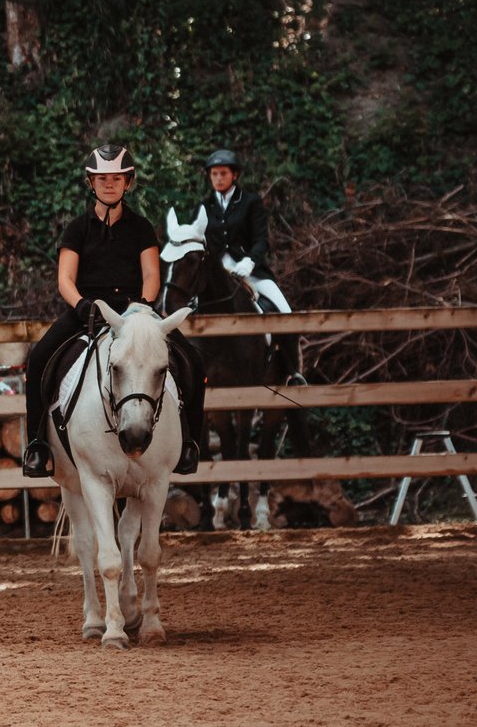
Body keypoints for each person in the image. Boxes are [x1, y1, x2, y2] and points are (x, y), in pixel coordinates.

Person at [20, 145, 206, 479]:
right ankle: (38, 445)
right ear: (91, 183)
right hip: (86, 311)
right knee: (38, 358)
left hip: (134, 313)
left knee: (192, 359)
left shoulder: (141, 228)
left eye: (116, 179)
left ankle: (190, 442)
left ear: (128, 183)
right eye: (102, 178)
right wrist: (81, 304)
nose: (109, 184)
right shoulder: (77, 228)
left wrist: (142, 307)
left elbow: (151, 275)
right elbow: (65, 278)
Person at [200, 148, 294, 315]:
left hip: (248, 270)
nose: (218, 178)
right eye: (214, 174)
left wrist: (249, 262)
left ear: (234, 175)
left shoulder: (251, 202)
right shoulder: (205, 206)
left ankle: (292, 339)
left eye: (223, 173)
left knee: (285, 311)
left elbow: (261, 240)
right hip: (216, 273)